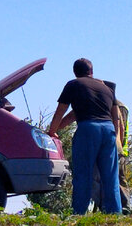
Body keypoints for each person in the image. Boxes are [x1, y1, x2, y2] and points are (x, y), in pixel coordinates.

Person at [47, 58, 124, 215]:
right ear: (91, 71)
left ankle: (79, 213)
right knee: (110, 176)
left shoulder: (74, 85)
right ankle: (115, 214)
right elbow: (115, 115)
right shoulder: (106, 89)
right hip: (108, 130)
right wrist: (115, 136)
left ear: (75, 72)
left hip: (88, 129)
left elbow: (60, 111)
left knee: (83, 174)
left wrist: (52, 131)